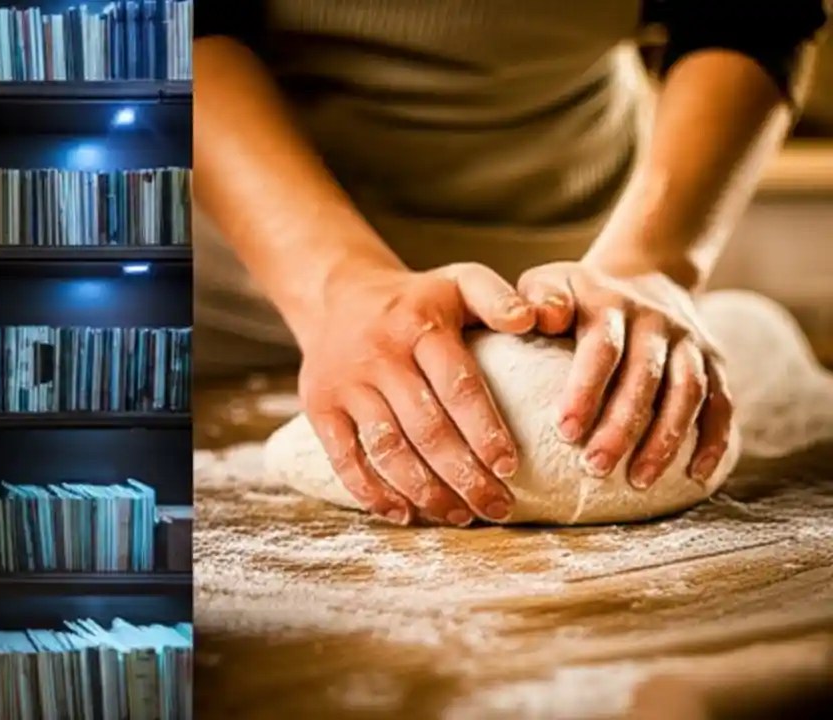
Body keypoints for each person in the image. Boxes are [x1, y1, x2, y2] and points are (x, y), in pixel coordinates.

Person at [192, 0, 829, 526]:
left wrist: (655, 260)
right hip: (237, 278)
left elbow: (755, 17)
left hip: (587, 257)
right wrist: (332, 287)